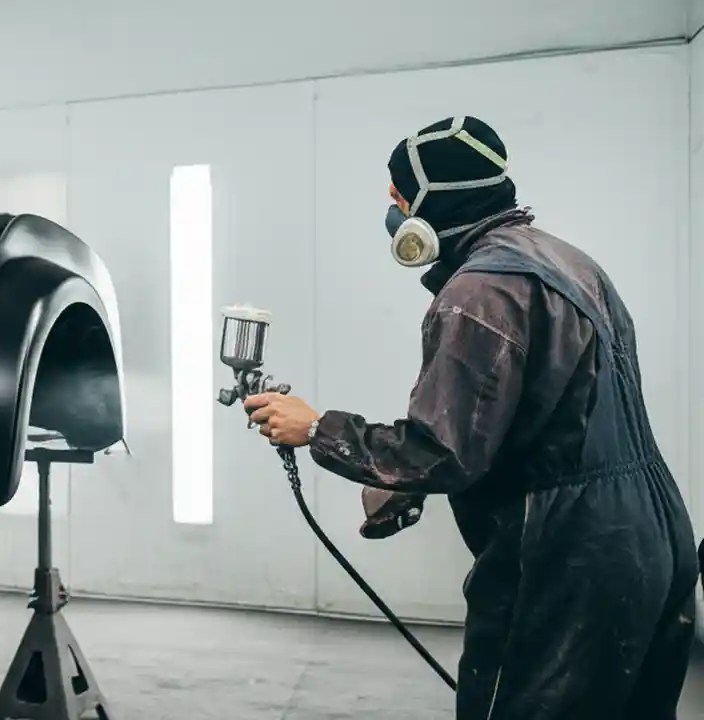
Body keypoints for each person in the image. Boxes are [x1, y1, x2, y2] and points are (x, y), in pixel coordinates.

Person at [243, 116, 700, 719]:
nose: (393, 207)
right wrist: (401, 489)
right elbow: (541, 422)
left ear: (435, 199)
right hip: (654, 538)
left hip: (563, 557)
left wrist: (315, 427)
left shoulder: (479, 291)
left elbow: (442, 451)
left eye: (399, 194)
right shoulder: (571, 264)